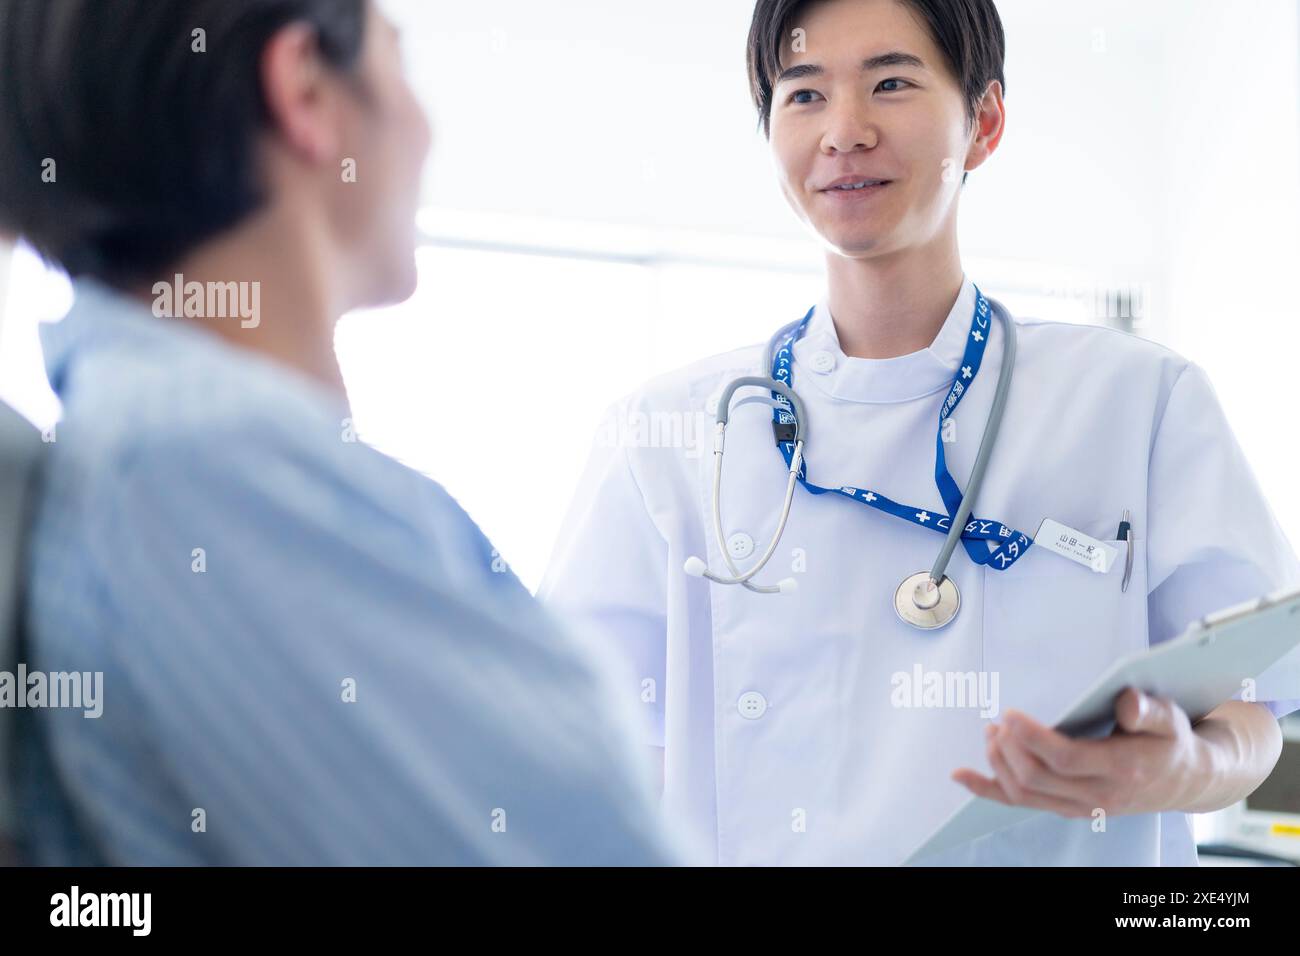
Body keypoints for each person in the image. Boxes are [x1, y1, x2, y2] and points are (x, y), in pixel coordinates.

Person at [539, 0, 1300, 866]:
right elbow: (584, 763)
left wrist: (1182, 767)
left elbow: (1253, 711)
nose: (844, 131)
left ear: (984, 121)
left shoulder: (1139, 402)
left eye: (891, 83)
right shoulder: (664, 441)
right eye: (803, 95)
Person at [0, 0, 681, 865]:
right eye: (400, 62)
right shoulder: (207, 466)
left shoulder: (170, 443)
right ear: (306, 91)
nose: (426, 130)